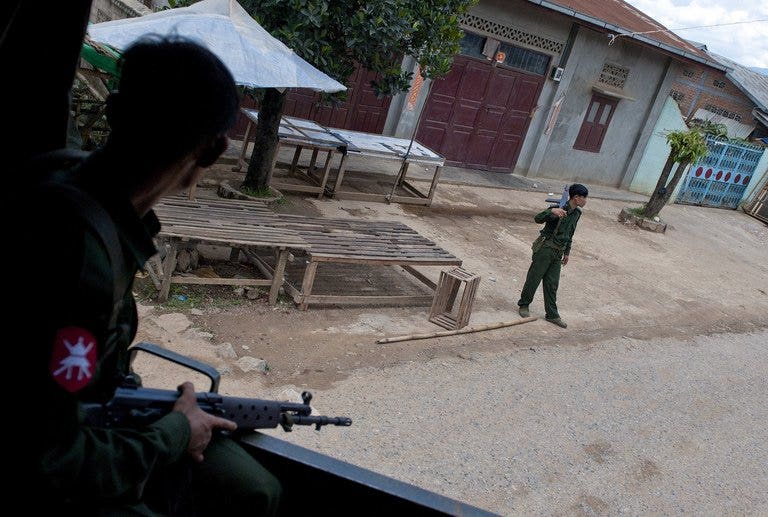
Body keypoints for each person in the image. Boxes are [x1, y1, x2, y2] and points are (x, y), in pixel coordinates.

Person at [17, 35, 282, 515]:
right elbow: (52, 459)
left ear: (114, 110)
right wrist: (175, 433)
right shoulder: (81, 258)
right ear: (213, 151)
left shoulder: (57, 175)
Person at [516, 183, 589, 328]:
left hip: (558, 252)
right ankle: (524, 305)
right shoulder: (558, 208)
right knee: (534, 278)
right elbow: (537, 218)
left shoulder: (576, 213)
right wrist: (551, 212)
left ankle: (552, 314)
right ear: (576, 197)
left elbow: (570, 233)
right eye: (584, 197)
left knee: (552, 284)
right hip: (545, 249)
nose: (586, 201)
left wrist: (567, 252)